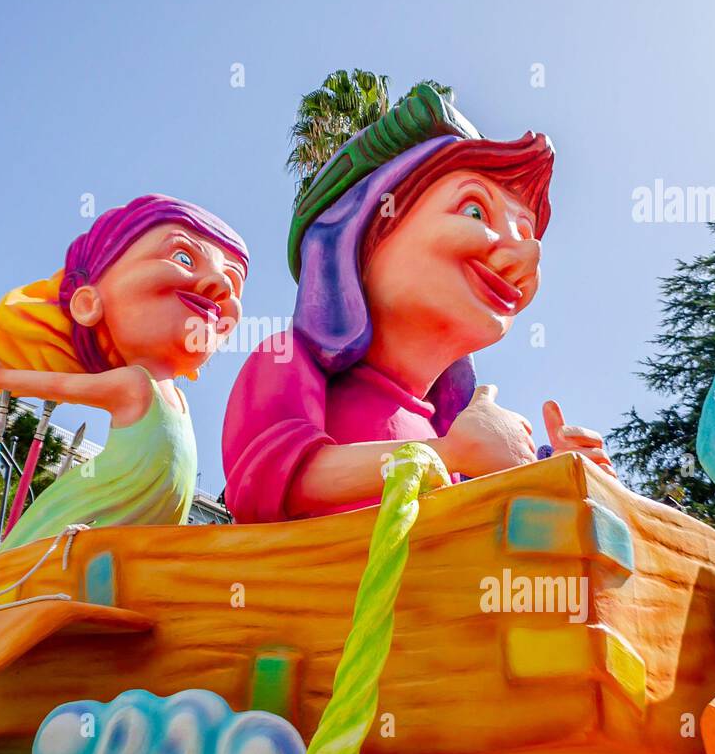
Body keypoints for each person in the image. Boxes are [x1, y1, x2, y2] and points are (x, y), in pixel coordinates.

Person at [222, 85, 613, 523]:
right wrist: (444, 453)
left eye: (525, 232)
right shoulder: (289, 361)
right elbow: (265, 487)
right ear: (360, 232)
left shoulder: (449, 420)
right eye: (475, 212)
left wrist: (561, 480)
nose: (526, 255)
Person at [0, 195, 248, 550]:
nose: (220, 286)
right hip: (95, 519)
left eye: (233, 282)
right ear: (87, 303)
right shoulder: (136, 385)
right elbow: (62, 384)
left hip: (140, 544)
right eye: (183, 257)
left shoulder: (178, 401)